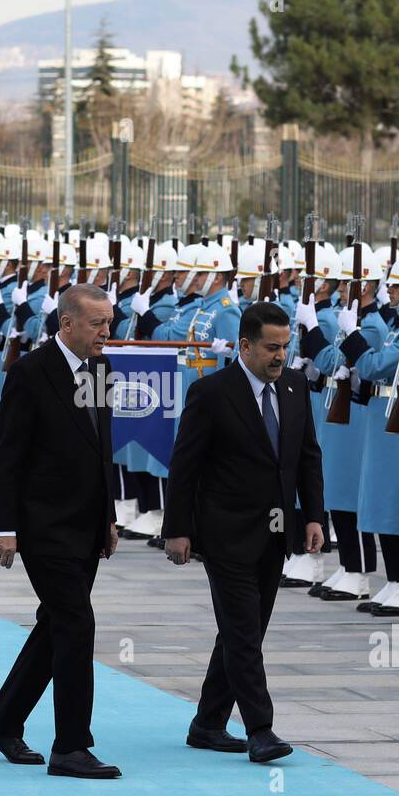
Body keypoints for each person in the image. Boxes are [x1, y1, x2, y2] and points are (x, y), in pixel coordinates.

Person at [162, 300, 325, 763]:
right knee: (242, 633)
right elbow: (184, 467)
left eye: (286, 347)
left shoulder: (294, 387)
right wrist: (177, 530)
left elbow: (307, 456)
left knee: (243, 632)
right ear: (245, 346)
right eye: (272, 348)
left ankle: (208, 722)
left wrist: (313, 516)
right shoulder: (212, 392)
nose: (280, 356)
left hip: (275, 533)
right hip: (225, 534)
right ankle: (261, 729)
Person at [0, 282, 120, 780]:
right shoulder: (30, 373)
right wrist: (4, 528)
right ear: (67, 323)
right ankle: (72, 746)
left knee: (56, 626)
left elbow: (103, 447)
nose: (108, 331)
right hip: (43, 527)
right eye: (98, 323)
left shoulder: (100, 369)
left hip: (85, 526)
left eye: (110, 321)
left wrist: (107, 516)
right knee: (77, 624)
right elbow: (9, 456)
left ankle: (1, 723)